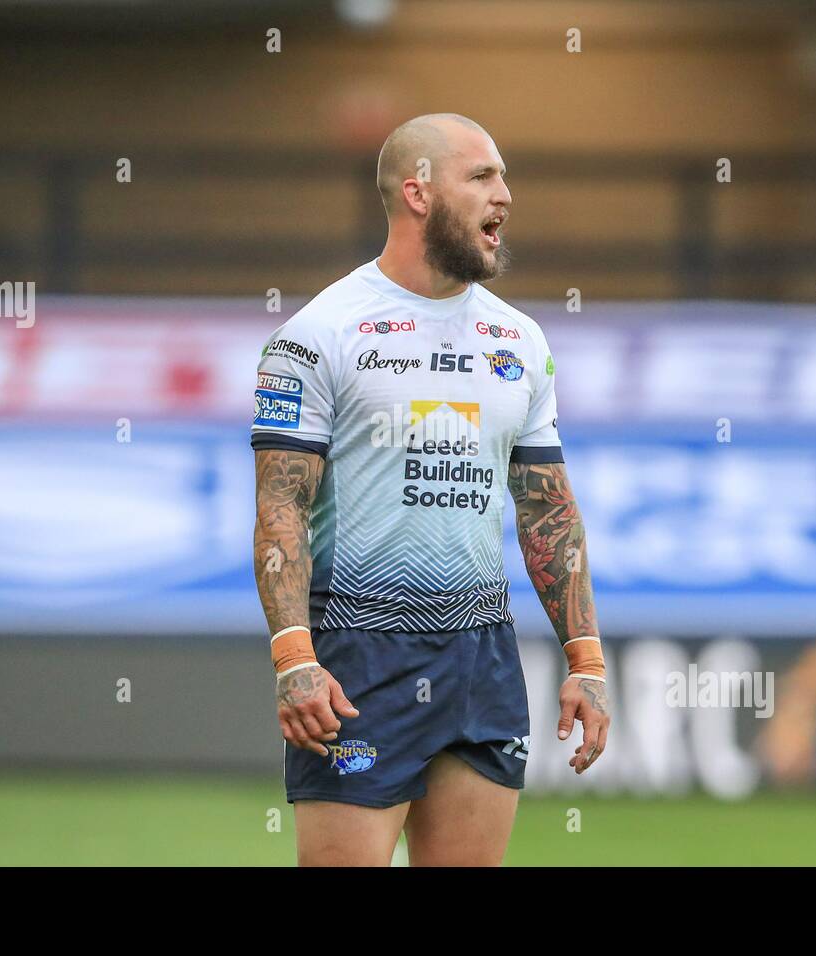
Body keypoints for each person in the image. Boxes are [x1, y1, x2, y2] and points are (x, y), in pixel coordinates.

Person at [251, 113, 608, 866]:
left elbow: (548, 509)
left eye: (503, 178)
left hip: (482, 658)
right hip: (359, 660)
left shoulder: (520, 341)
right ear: (417, 192)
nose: (505, 196)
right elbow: (280, 505)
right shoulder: (318, 335)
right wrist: (293, 658)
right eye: (482, 177)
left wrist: (587, 662)